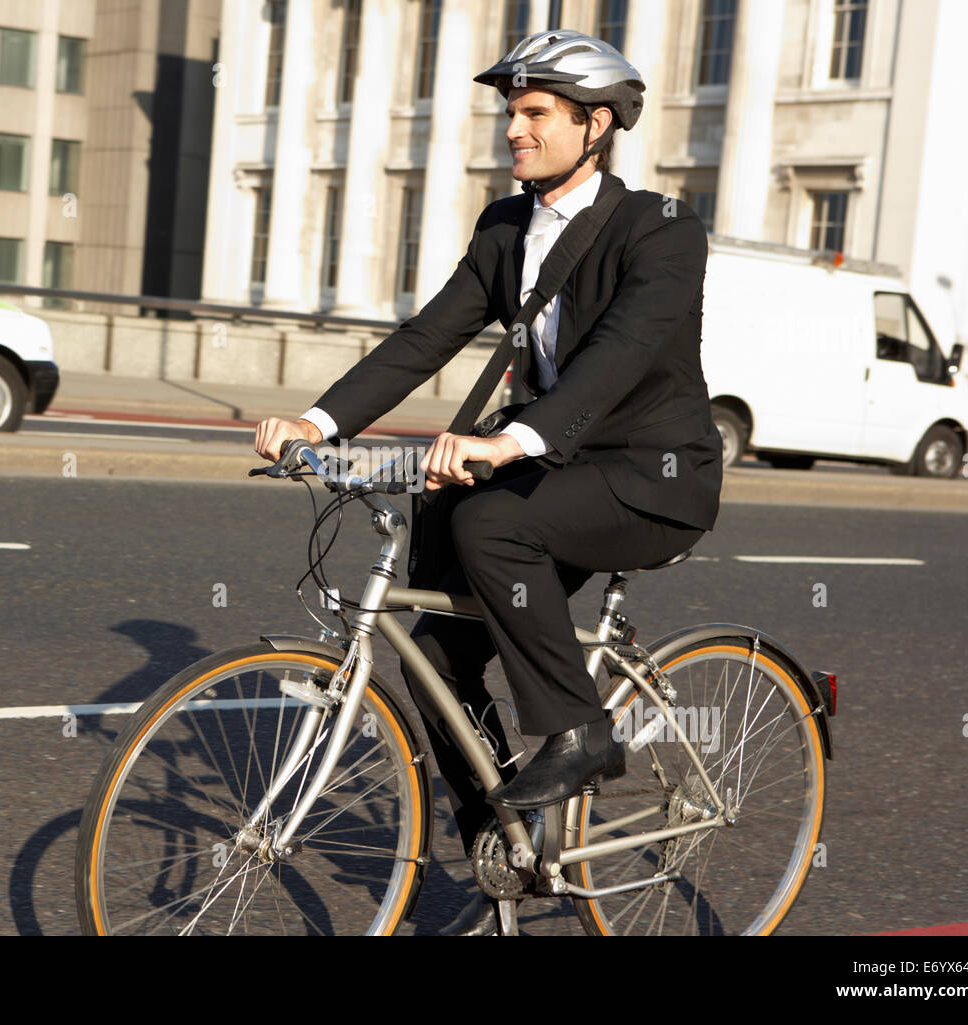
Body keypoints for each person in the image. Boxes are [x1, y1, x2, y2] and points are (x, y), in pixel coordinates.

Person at [254, 29, 723, 934]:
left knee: (491, 526)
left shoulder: (661, 230)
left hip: (650, 478)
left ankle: (582, 732)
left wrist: (514, 438)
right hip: (553, 464)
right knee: (430, 645)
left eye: (535, 112)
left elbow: (621, 357)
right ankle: (501, 842)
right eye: (511, 111)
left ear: (595, 124)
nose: (515, 128)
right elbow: (427, 338)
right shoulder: (505, 229)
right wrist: (317, 422)